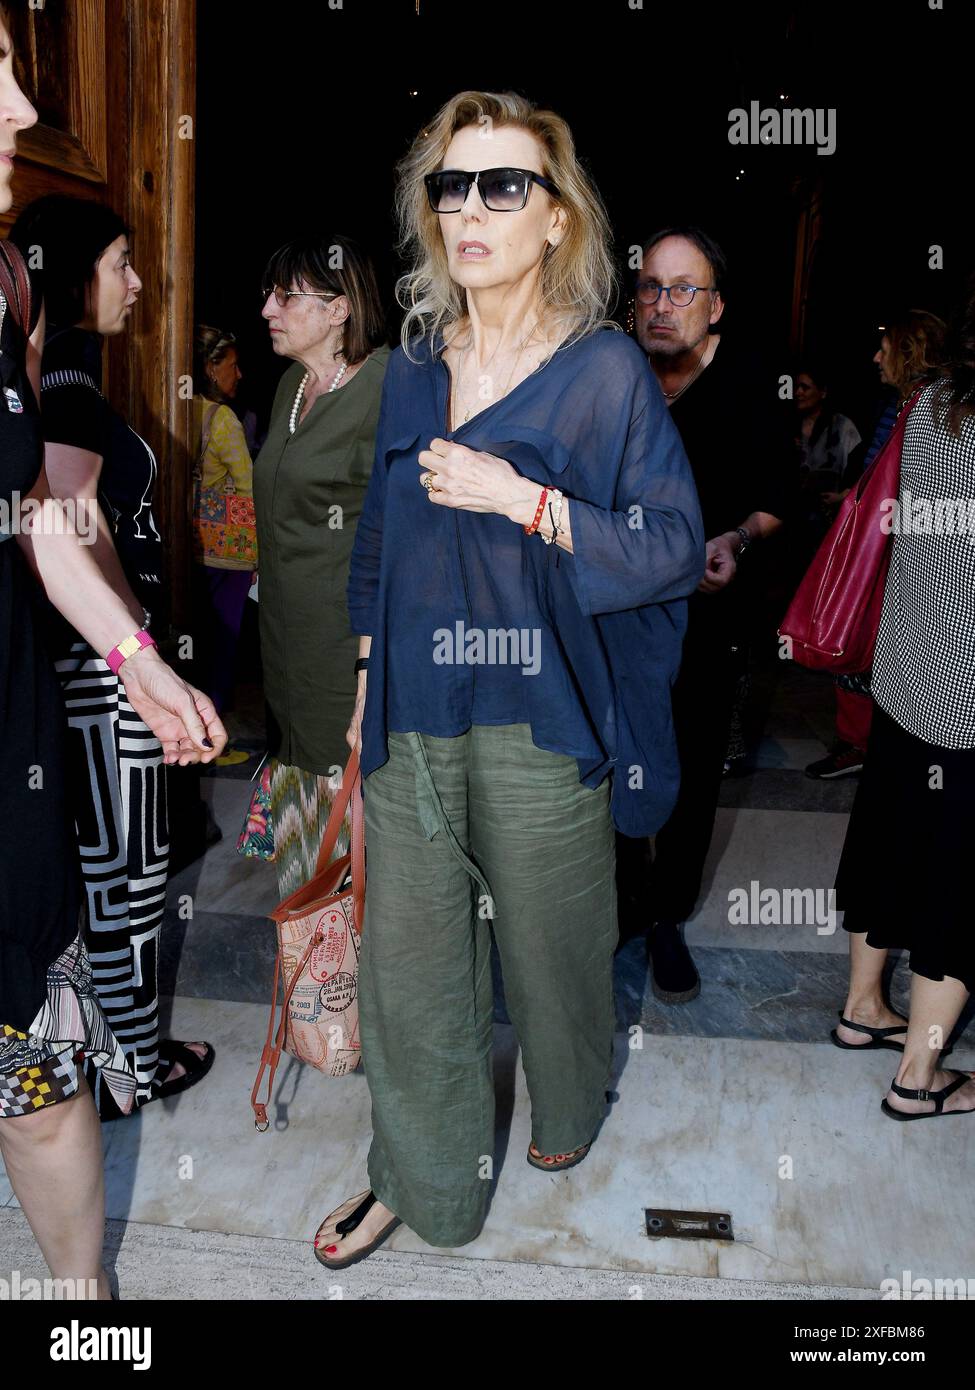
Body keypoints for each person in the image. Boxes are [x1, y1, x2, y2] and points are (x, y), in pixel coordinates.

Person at [311, 90, 704, 1267]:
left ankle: (571, 1099)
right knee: (413, 968)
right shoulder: (414, 368)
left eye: (503, 186)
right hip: (417, 712)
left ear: (556, 220)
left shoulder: (603, 377)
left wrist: (525, 500)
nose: (471, 210)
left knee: (556, 945)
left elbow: (672, 545)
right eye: (451, 186)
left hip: (544, 715)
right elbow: (379, 534)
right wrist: (366, 685)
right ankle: (415, 1173)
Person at [0, 4, 226, 1298]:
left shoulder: (4, 297)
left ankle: (81, 1309)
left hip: (20, 728)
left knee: (33, 1061)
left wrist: (139, 655)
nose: (29, 113)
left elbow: (39, 518)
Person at [9, 194, 216, 1119]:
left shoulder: (55, 370)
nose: (137, 283)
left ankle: (113, 1059)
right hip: (98, 674)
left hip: (93, 666)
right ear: (74, 271)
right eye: (120, 263)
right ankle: (128, 1074)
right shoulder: (69, 383)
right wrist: (138, 645)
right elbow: (67, 521)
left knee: (116, 874)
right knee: (126, 881)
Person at [626, 226, 793, 1001]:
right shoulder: (613, 373)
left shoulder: (752, 383)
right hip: (614, 618)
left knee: (691, 772)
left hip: (705, 619)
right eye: (650, 287)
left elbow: (782, 500)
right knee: (609, 760)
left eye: (683, 289)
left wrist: (733, 538)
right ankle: (623, 901)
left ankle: (667, 916)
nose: (662, 305)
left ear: (716, 306)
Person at [830, 283, 975, 1121]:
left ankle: (862, 1010)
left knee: (886, 843)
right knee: (954, 891)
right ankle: (918, 1081)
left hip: (905, 675)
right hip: (965, 704)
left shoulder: (929, 406)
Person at [254, 233, 390, 899]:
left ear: (339, 308)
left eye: (285, 297)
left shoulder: (387, 385)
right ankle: (319, 966)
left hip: (348, 648)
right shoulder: (291, 385)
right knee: (304, 825)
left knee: (355, 816)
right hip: (285, 646)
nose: (267, 310)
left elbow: (403, 534)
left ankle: (361, 969)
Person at [805, 310, 947, 780]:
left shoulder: (926, 408)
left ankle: (861, 744)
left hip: (896, 554)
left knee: (860, 643)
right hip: (885, 544)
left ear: (906, 355)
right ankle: (862, 741)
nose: (874, 358)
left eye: (884, 351)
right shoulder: (903, 404)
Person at [191, 323, 255, 749]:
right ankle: (212, 739)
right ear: (213, 369)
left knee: (194, 642)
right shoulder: (224, 419)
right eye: (233, 366)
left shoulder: (184, 407)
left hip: (187, 544)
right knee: (222, 646)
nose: (240, 374)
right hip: (224, 553)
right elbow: (249, 488)